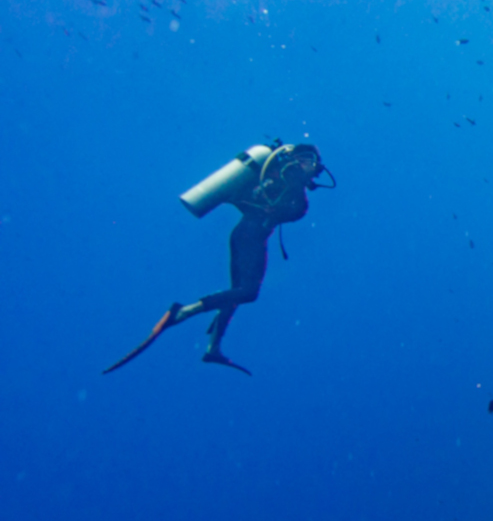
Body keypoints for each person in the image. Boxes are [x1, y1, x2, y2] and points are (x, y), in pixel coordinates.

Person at [104, 144, 331, 376]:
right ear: (300, 159)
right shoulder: (290, 176)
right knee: (248, 292)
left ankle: (213, 347)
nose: (314, 168)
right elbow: (295, 209)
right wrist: (299, 191)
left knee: (236, 292)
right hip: (252, 234)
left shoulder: (275, 175)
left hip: (244, 233)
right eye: (311, 161)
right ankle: (182, 312)